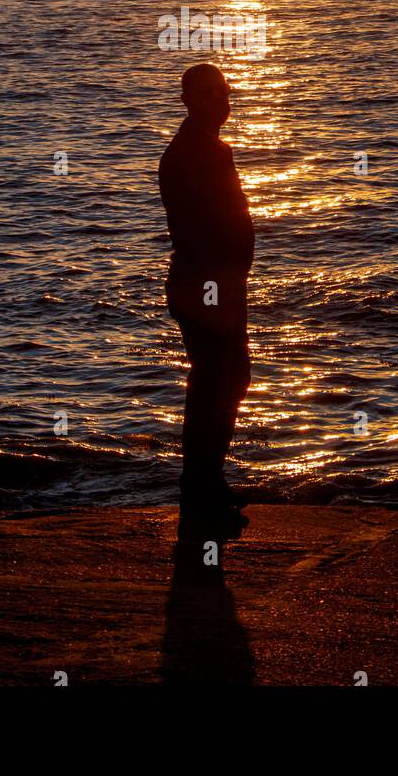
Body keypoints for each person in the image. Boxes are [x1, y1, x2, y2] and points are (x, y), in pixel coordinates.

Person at [158, 62, 254, 524]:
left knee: (229, 379)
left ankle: (207, 482)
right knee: (215, 382)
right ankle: (199, 490)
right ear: (189, 101)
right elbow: (197, 230)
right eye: (209, 93)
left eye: (223, 91)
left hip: (223, 283)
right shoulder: (190, 154)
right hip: (205, 285)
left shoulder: (214, 149)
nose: (220, 100)